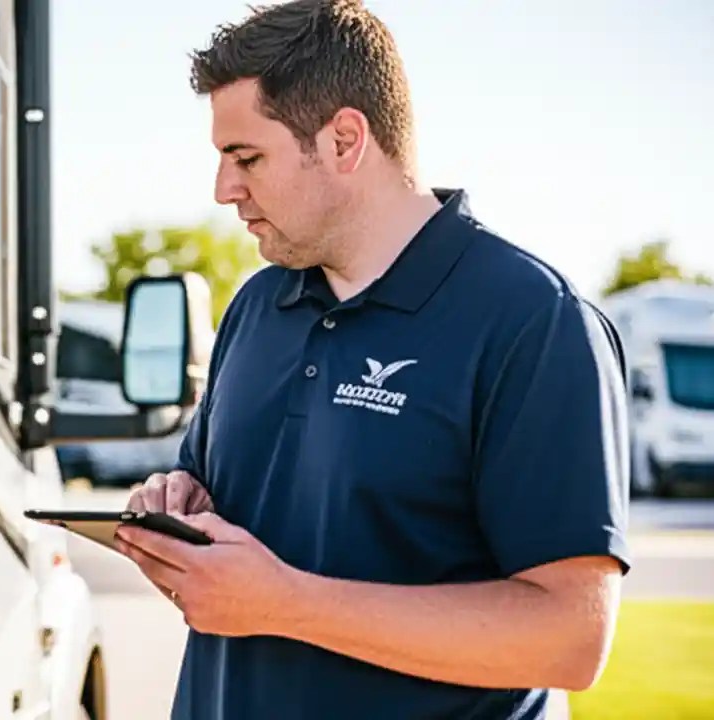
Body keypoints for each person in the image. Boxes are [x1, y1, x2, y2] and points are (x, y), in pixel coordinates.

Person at [111, 1, 632, 718]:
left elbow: (570, 636)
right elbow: (222, 507)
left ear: (344, 140)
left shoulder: (534, 321)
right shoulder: (257, 305)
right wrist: (176, 509)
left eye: (246, 157)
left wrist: (286, 603)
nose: (223, 189)